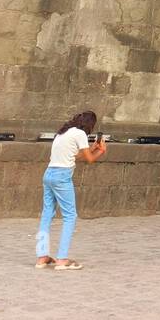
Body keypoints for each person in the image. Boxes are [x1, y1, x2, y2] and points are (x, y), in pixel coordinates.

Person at [35, 110, 106, 270]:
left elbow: (74, 157)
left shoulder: (62, 133)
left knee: (47, 214)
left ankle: (42, 256)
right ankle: (62, 259)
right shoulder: (80, 134)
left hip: (49, 173)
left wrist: (92, 148)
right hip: (62, 176)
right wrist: (100, 151)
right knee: (70, 216)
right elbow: (89, 160)